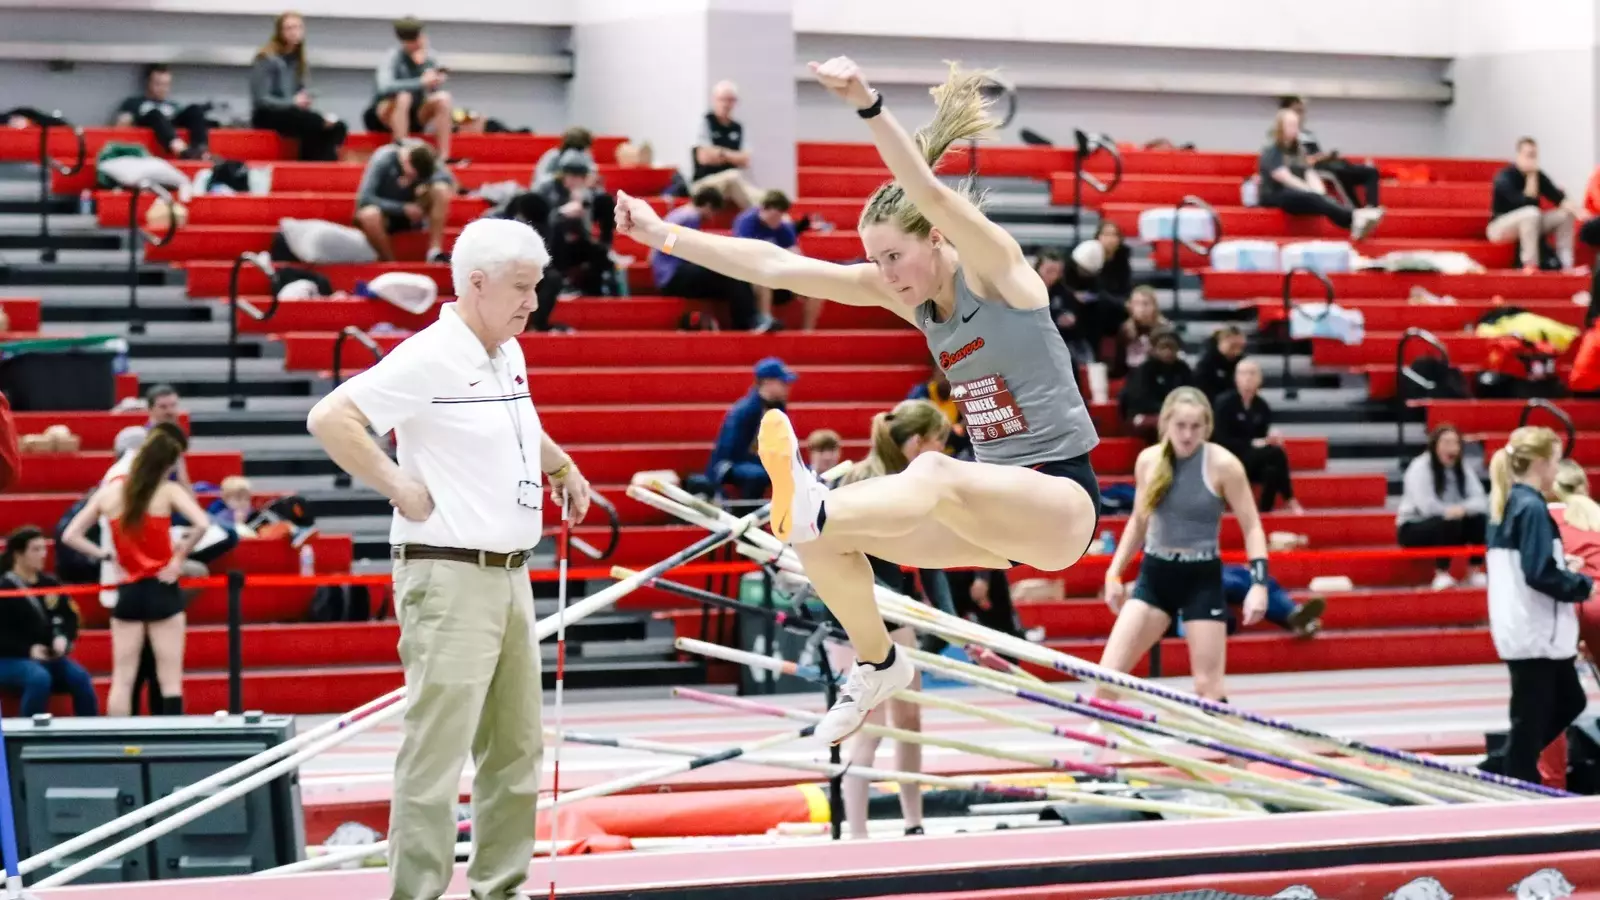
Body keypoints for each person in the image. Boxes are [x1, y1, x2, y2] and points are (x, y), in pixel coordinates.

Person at [615, 57, 1103, 745]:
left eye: (894, 257)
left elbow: (926, 191)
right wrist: (661, 234)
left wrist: (866, 102)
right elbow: (778, 266)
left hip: (1060, 502)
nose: (884, 275)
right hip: (991, 521)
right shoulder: (909, 298)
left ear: (938, 237)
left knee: (928, 471)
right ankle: (877, 662)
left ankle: (814, 503)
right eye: (873, 260)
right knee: (817, 536)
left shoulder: (999, 275)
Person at [306, 217, 592, 900]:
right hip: (448, 571)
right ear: (477, 284)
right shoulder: (430, 354)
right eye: (521, 288)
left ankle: (501, 888)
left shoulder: (505, 351)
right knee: (438, 751)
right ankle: (417, 894)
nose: (533, 302)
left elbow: (518, 420)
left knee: (516, 748)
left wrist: (560, 465)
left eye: (537, 286)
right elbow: (331, 417)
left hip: (509, 571)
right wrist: (398, 485)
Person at [828, 399, 955, 839]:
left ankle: (913, 822)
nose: (944, 455)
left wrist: (945, 620)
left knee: (909, 722)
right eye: (940, 443)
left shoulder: (916, 487)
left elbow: (930, 561)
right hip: (856, 614)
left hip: (894, 612)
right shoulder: (856, 481)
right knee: (870, 722)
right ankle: (857, 833)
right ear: (917, 443)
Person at [1101, 388, 1270, 702]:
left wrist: (1259, 584)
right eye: (1180, 426)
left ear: (1207, 428)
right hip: (1156, 576)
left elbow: (1252, 527)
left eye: (1196, 427)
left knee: (1208, 689)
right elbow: (1138, 521)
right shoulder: (1148, 461)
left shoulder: (1224, 465)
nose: (1188, 435)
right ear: (1166, 423)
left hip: (1201, 579)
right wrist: (1114, 573)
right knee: (1106, 679)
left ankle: (1225, 734)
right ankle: (1105, 734)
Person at [61, 428, 208, 717]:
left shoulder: (110, 493)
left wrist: (106, 556)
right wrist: (178, 558)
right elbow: (202, 524)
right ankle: (172, 737)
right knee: (170, 680)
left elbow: (70, 535)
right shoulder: (168, 491)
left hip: (128, 589)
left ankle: (119, 738)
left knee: (123, 679)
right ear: (168, 464)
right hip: (162, 587)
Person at [1478, 426, 1592, 784]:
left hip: (1525, 627)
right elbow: (1538, 572)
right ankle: (1513, 774)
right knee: (1531, 716)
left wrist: (1562, 567)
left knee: (1567, 701)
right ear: (1540, 463)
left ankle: (1507, 763)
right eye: (1555, 462)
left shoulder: (1511, 503)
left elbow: (1528, 564)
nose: (1557, 470)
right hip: (1535, 631)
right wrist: (1580, 584)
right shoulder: (1530, 508)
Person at [0, 526, 98, 717]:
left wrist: (63, 638)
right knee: (38, 678)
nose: (43, 555)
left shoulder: (50, 584)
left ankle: (90, 728)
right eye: (36, 549)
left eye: (44, 549)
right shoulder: (4, 589)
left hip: (48, 655)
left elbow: (69, 617)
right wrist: (27, 650)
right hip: (8, 658)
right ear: (18, 554)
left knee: (80, 678)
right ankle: (30, 730)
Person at [1258, 108, 1382, 240]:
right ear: (1280, 127)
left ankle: (1353, 222)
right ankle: (1354, 218)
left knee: (1323, 200)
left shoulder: (1298, 149)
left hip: (1298, 193)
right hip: (1276, 194)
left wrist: (1320, 193)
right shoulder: (1272, 148)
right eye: (1290, 125)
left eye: (1296, 125)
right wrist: (1309, 191)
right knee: (1313, 198)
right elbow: (1283, 176)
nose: (1294, 129)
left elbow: (1308, 172)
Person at [650, 187, 757, 330]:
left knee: (727, 281)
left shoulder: (680, 214)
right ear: (707, 205)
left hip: (669, 276)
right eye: (714, 212)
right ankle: (747, 324)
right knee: (733, 273)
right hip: (673, 276)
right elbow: (667, 246)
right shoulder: (690, 218)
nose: (713, 217)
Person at [1397, 424, 1488, 590]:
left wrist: (1463, 509)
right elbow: (1426, 507)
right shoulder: (1420, 467)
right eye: (1446, 443)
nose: (1451, 448)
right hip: (1414, 526)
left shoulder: (1462, 467)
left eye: (1455, 443)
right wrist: (1450, 511)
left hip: (1454, 521)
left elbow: (1480, 500)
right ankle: (1441, 574)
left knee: (1479, 520)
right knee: (1448, 522)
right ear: (1435, 446)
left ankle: (1474, 572)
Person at [249, 12, 347, 162]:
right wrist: (292, 102)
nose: (294, 32)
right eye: (289, 28)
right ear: (280, 32)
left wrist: (304, 99)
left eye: (298, 27)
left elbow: (297, 92)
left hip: (291, 111)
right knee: (313, 123)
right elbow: (262, 99)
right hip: (268, 113)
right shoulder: (266, 58)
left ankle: (323, 165)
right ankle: (310, 165)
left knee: (338, 126)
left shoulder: (297, 60)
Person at [1212, 358, 1301, 514]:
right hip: (1229, 458)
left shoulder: (1262, 406)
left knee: (1272, 470)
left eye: (1252, 373)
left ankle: (1264, 512)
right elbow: (1220, 440)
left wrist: (1271, 439)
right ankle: (1290, 499)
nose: (1248, 377)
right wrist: (1252, 443)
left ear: (1260, 379)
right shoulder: (1224, 403)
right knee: (1276, 453)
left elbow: (1262, 438)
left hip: (1253, 460)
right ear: (1236, 378)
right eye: (1243, 373)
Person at [365, 16, 454, 163]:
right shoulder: (393, 57)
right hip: (388, 112)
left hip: (415, 112)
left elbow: (431, 91)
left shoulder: (429, 58)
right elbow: (385, 87)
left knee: (443, 98)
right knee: (404, 97)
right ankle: (403, 152)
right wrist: (420, 82)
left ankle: (444, 156)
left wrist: (433, 79)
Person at [706, 358, 796, 500]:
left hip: (759, 462)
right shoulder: (746, 411)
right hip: (733, 465)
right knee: (757, 475)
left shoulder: (778, 408)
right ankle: (745, 511)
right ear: (767, 382)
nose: (787, 387)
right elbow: (732, 452)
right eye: (783, 383)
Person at [1487, 138, 1582, 272]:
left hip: (1531, 222)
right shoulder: (1505, 177)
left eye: (1534, 155)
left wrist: (1579, 212)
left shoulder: (1539, 176)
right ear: (1518, 155)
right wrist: (1531, 176)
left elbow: (1559, 198)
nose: (1532, 160)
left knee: (1565, 215)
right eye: (1528, 155)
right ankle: (1530, 264)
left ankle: (1566, 265)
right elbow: (1525, 201)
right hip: (1500, 227)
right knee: (1531, 212)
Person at [733, 191, 823, 332]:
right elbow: (743, 254)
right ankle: (765, 321)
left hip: (780, 275)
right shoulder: (747, 223)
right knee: (763, 278)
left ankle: (807, 332)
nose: (777, 220)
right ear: (763, 209)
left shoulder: (783, 227)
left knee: (817, 288)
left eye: (780, 216)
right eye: (774, 216)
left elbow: (796, 255)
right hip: (753, 275)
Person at [353, 142, 451, 264]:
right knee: (369, 214)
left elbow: (448, 179)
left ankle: (434, 251)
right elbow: (365, 198)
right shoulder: (384, 158)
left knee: (440, 189)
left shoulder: (423, 154)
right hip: (385, 216)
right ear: (406, 160)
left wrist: (424, 186)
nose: (413, 178)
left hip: (412, 213)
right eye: (412, 174)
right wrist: (402, 208)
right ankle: (390, 263)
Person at [1279, 96, 1381, 209]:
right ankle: (1354, 209)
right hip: (1312, 170)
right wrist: (1315, 159)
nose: (1301, 115)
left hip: (1326, 164)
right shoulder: (1284, 137)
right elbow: (1294, 162)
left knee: (1370, 172)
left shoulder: (1308, 134)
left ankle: (1371, 208)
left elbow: (1317, 154)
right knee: (1340, 172)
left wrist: (1328, 156)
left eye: (1302, 111)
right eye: (1297, 111)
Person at [114, 64, 211, 160]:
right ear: (148, 83)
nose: (162, 89)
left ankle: (201, 151)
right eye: (158, 84)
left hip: (170, 127)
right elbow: (121, 126)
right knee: (155, 114)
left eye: (166, 85)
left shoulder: (174, 106)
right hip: (149, 127)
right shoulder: (134, 103)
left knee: (195, 109)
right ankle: (182, 151)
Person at [691, 80, 760, 210]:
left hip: (732, 183)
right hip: (704, 183)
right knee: (733, 176)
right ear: (714, 100)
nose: (726, 104)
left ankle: (782, 219)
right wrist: (733, 156)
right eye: (722, 99)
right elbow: (704, 157)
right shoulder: (705, 123)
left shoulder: (738, 128)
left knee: (763, 195)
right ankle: (757, 217)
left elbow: (745, 160)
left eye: (730, 100)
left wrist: (720, 153)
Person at [1118, 328, 1192, 443]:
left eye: (1171, 348)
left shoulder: (1183, 369)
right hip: (1146, 412)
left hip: (1176, 412)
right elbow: (1141, 399)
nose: (1168, 352)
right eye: (1163, 348)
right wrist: (1167, 409)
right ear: (1154, 349)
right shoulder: (1146, 369)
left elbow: (1191, 393)